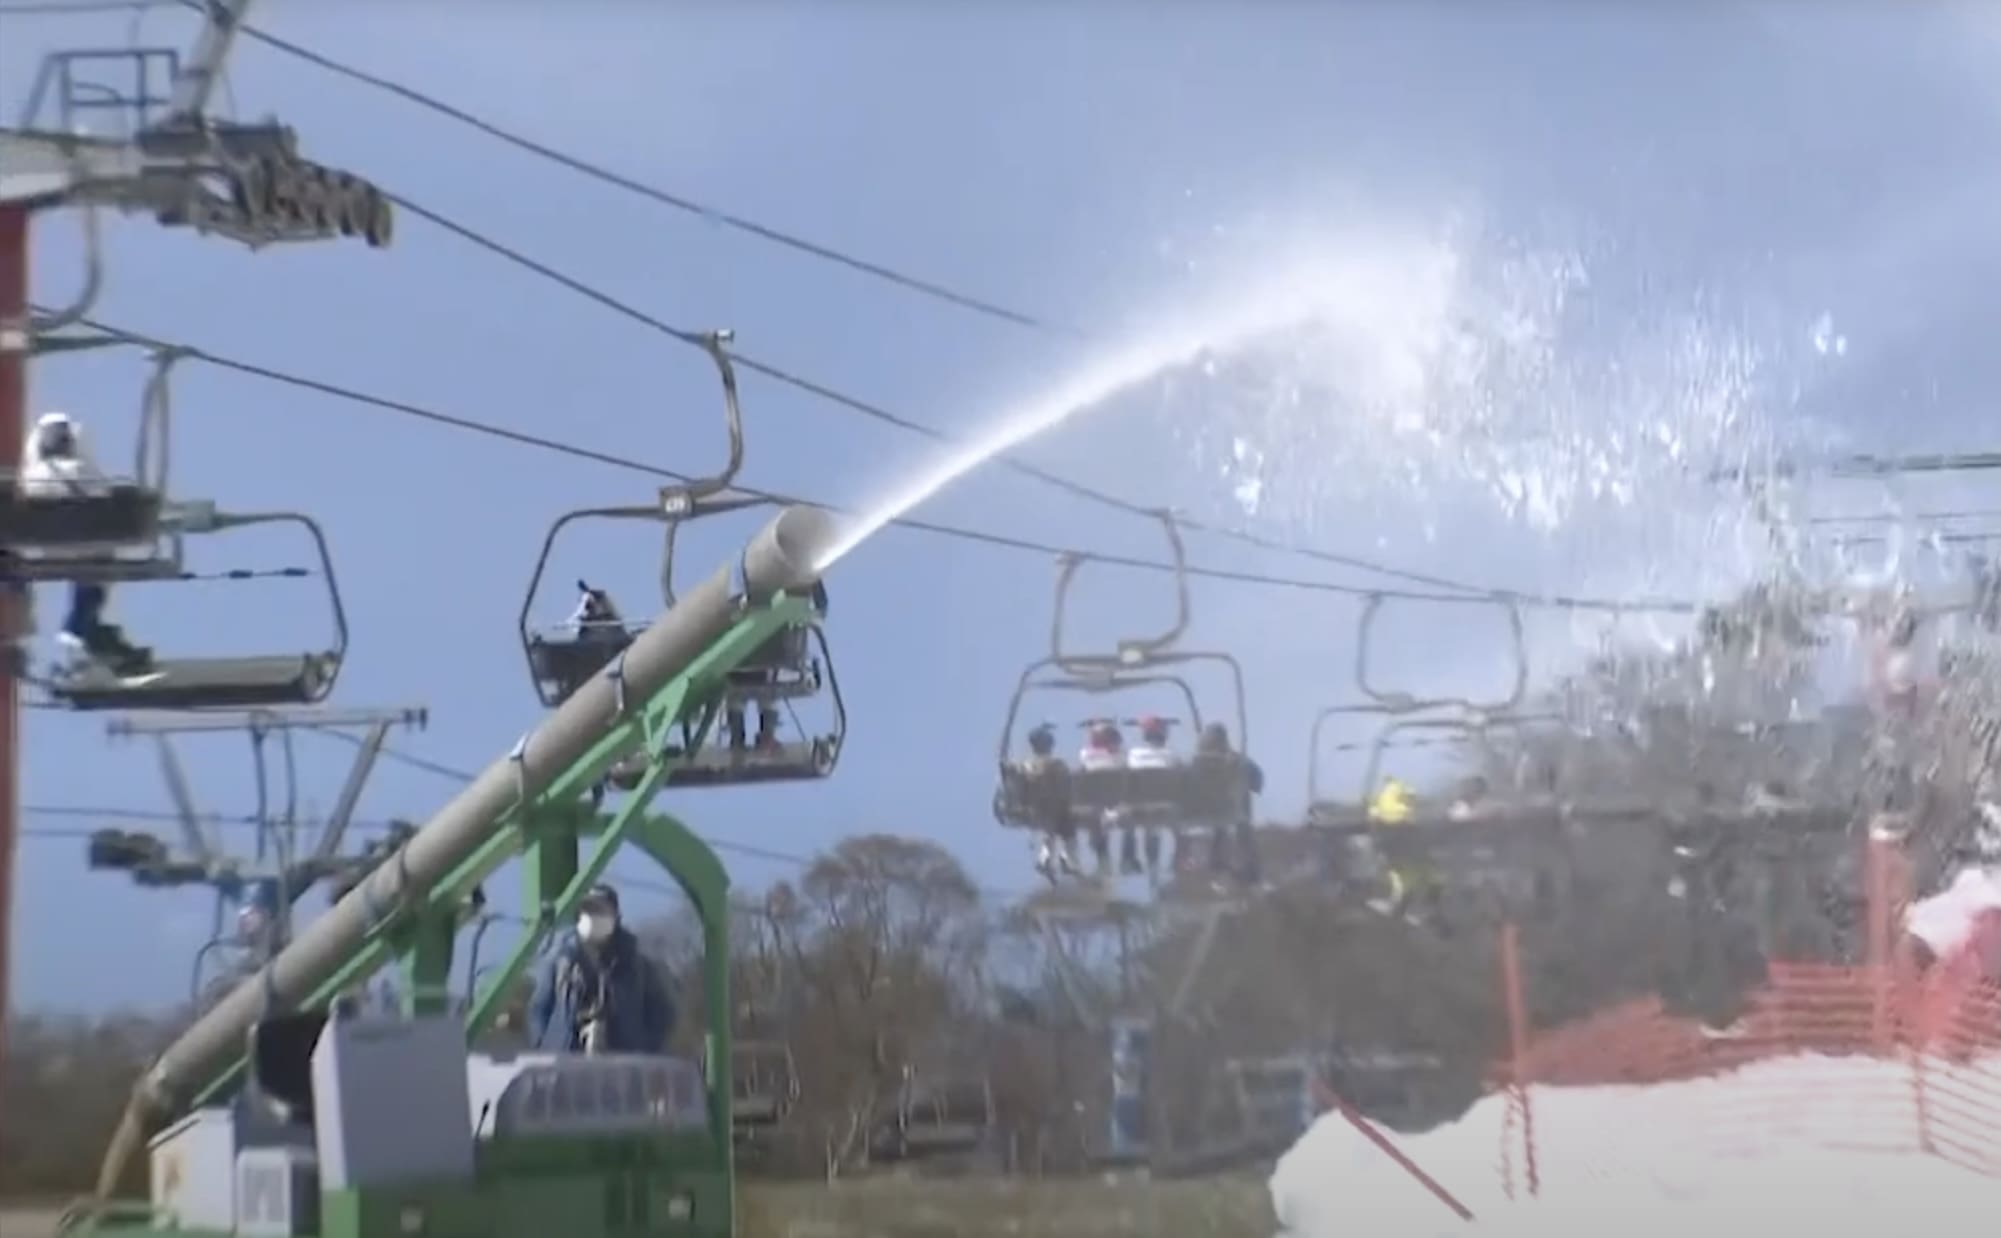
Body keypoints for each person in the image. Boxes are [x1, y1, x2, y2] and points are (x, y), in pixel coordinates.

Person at [18, 411, 152, 675]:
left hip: (50, 548)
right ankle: (78, 623)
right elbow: (102, 501)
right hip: (89, 544)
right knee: (97, 572)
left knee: (87, 570)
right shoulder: (81, 470)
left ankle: (81, 627)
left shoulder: (31, 478)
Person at [527, 883, 675, 1054]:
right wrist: (543, 1045)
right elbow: (538, 1008)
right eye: (587, 911)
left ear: (616, 917)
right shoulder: (561, 960)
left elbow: (663, 1012)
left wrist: (644, 1049)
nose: (592, 917)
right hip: (565, 1062)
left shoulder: (636, 963)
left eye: (600, 911)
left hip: (620, 1064)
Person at [1014, 723, 1077, 879]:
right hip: (1058, 811)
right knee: (1066, 828)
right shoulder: (1057, 765)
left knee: (1048, 829)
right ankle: (1067, 857)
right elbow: (1067, 786)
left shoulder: (1025, 766)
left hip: (1036, 810)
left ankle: (1045, 857)